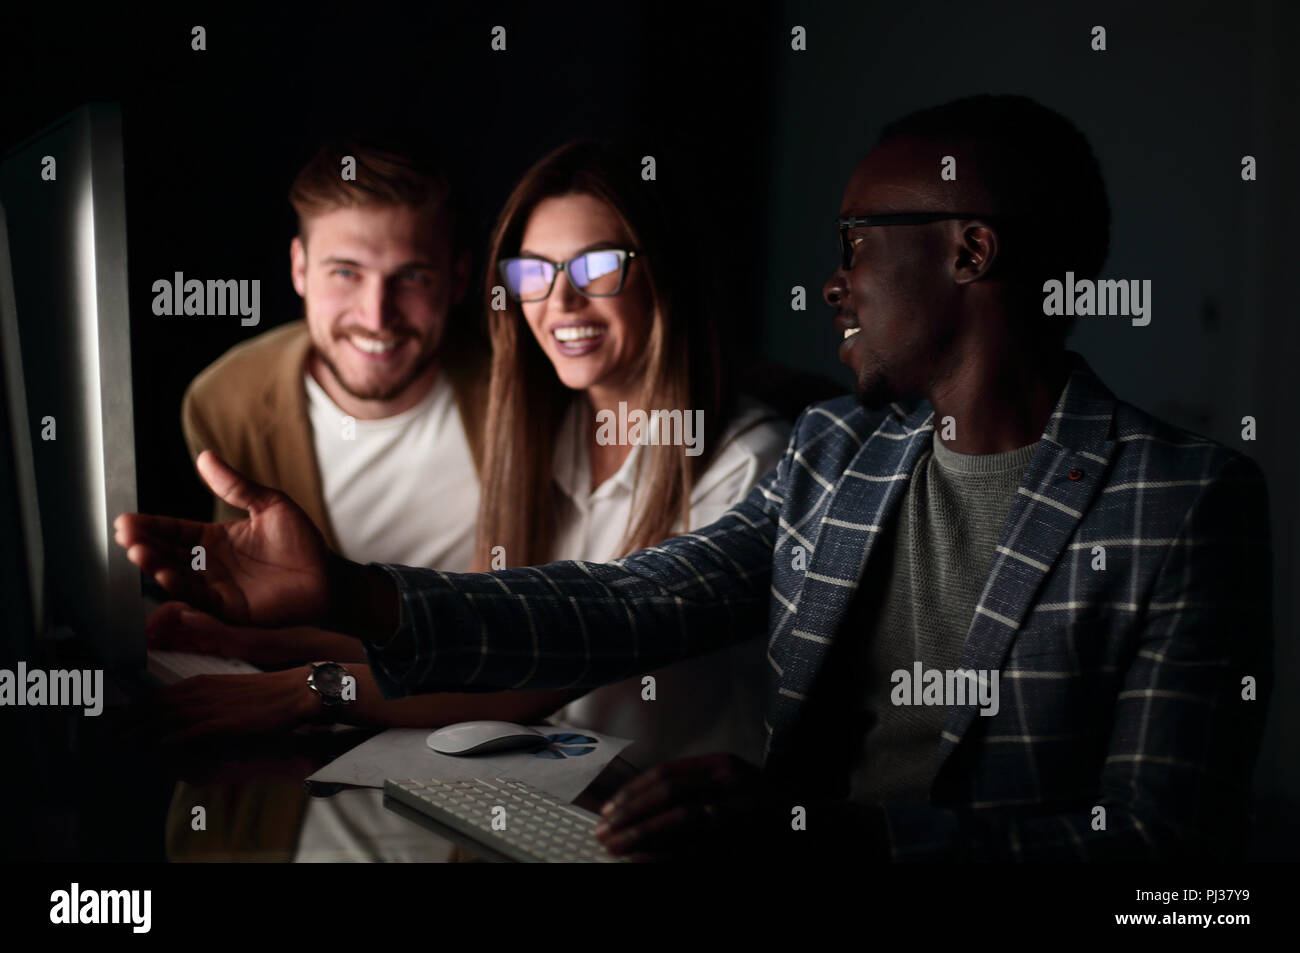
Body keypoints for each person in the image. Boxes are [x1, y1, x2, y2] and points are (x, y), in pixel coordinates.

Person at [119, 96, 1273, 862]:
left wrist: (819, 833)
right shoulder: (838, 451)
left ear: (970, 251)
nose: (831, 286)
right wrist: (354, 593)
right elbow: (621, 601)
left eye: (858, 245)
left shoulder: (1179, 500)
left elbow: (1160, 852)